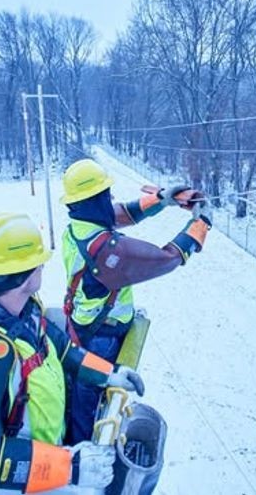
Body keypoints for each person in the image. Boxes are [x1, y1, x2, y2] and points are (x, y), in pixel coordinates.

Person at [0, 213, 145, 492]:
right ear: (25, 277)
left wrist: (111, 374)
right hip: (1, 485)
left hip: (42, 468)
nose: (43, 267)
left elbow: (62, 349)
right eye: (39, 264)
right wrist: (69, 467)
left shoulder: (25, 311)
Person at [59, 158, 211, 443]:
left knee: (84, 396)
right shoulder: (104, 250)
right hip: (99, 336)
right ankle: (80, 454)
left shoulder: (80, 225)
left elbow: (122, 213)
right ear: (93, 201)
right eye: (105, 194)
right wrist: (200, 225)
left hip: (84, 328)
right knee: (89, 405)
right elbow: (167, 258)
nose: (111, 198)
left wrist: (161, 199)